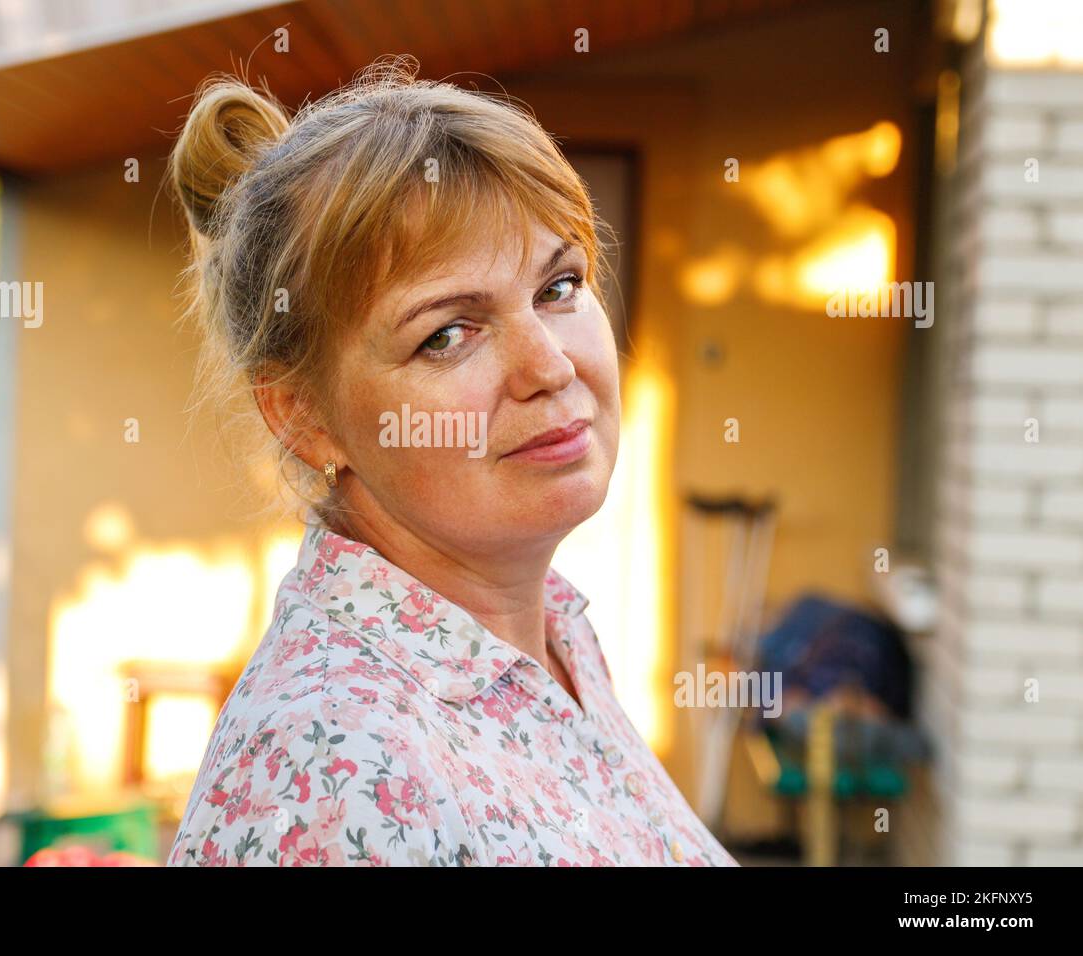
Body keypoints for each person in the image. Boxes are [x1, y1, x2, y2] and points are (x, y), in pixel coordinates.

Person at [167, 55, 737, 867]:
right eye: (446, 333)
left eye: (559, 286)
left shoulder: (548, 639)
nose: (550, 367)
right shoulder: (334, 770)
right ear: (302, 415)